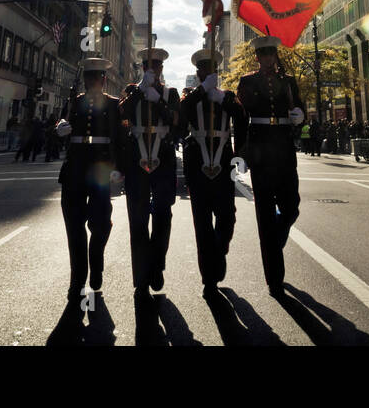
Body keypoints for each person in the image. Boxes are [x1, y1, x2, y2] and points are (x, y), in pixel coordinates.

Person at [236, 35, 305, 296]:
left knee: (291, 207)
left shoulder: (288, 81)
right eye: (263, 55)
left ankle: (272, 244)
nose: (267, 59)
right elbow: (245, 115)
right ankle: (274, 278)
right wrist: (240, 153)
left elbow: (298, 106)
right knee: (265, 214)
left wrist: (300, 114)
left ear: (275, 56)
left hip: (285, 151)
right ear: (257, 57)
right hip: (261, 151)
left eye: (271, 55)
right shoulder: (248, 82)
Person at [53, 58, 124, 303]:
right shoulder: (74, 102)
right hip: (74, 167)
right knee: (74, 226)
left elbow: (121, 139)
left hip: (101, 167)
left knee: (102, 222)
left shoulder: (115, 105)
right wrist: (60, 127)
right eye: (89, 79)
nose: (92, 82)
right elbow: (62, 123)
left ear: (103, 80)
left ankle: (96, 261)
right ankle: (77, 279)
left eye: (96, 78)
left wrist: (119, 168)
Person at [179, 47, 244, 297]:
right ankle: (209, 277)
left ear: (216, 72)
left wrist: (224, 99)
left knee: (227, 217)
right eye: (203, 70)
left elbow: (241, 117)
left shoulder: (226, 95)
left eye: (211, 70)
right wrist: (201, 91)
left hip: (223, 162)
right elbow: (181, 117)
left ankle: (220, 250)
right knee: (202, 223)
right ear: (198, 73)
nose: (207, 73)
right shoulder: (190, 96)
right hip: (197, 163)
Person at [120, 47, 181, 298]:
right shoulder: (132, 92)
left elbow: (177, 122)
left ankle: (157, 264)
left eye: (156, 67)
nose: (152, 71)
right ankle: (141, 276)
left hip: (163, 160)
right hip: (136, 161)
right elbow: (122, 115)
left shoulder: (171, 93)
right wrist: (139, 92)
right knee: (138, 218)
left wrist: (159, 100)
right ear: (142, 69)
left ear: (161, 69)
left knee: (163, 215)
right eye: (147, 67)